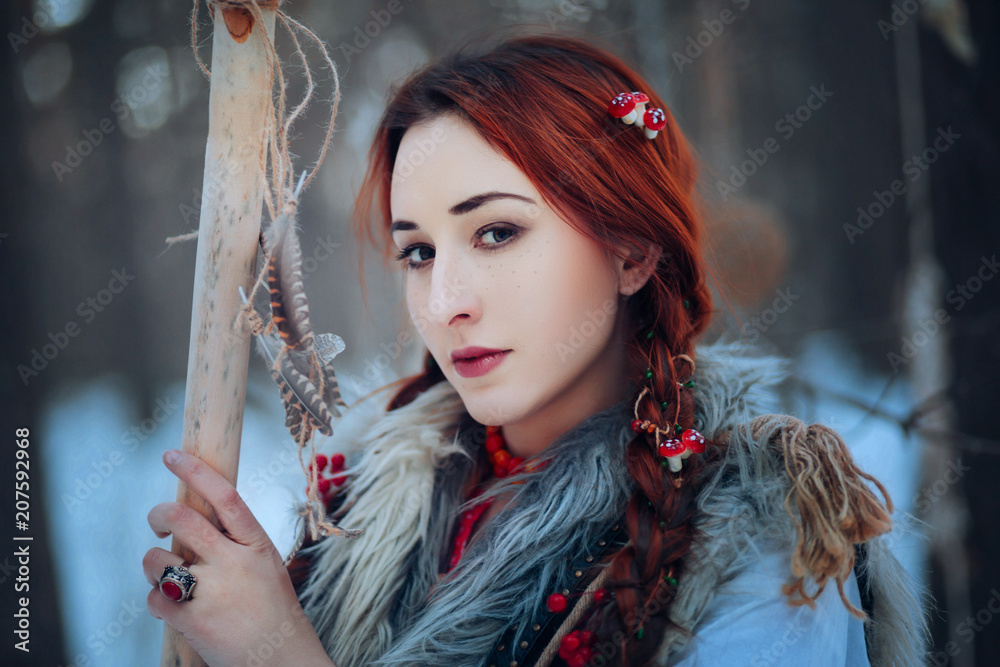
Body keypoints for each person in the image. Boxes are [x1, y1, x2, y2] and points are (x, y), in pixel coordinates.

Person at [143, 33, 929, 666]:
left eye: (496, 232)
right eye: (418, 252)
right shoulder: (363, 509)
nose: (446, 301)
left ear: (630, 252)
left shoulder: (757, 537)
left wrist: (278, 652)